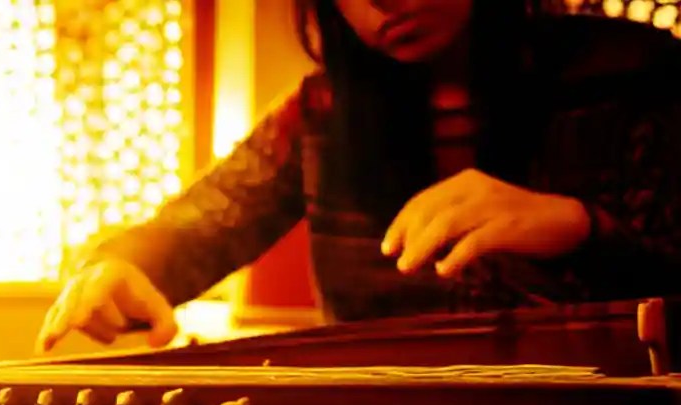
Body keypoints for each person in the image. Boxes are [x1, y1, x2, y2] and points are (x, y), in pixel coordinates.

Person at [36, 0, 681, 352]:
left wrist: (578, 228)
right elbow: (204, 222)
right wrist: (119, 266)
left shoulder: (636, 72)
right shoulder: (323, 112)